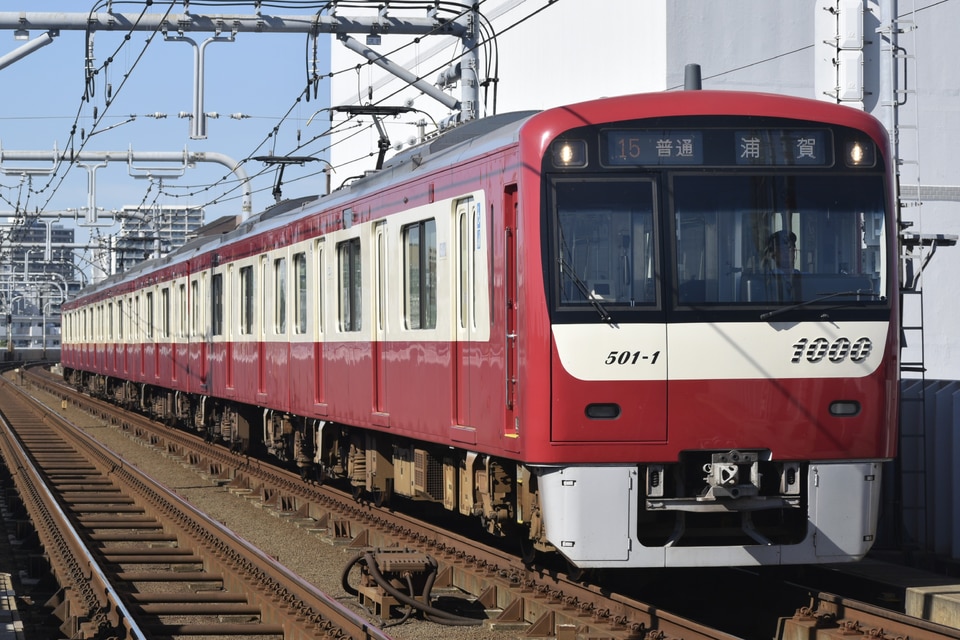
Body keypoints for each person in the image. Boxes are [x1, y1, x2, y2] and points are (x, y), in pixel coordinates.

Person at [761, 230, 801, 302]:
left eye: (789, 248)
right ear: (773, 254)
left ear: (794, 251)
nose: (786, 252)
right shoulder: (767, 279)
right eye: (782, 249)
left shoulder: (804, 277)